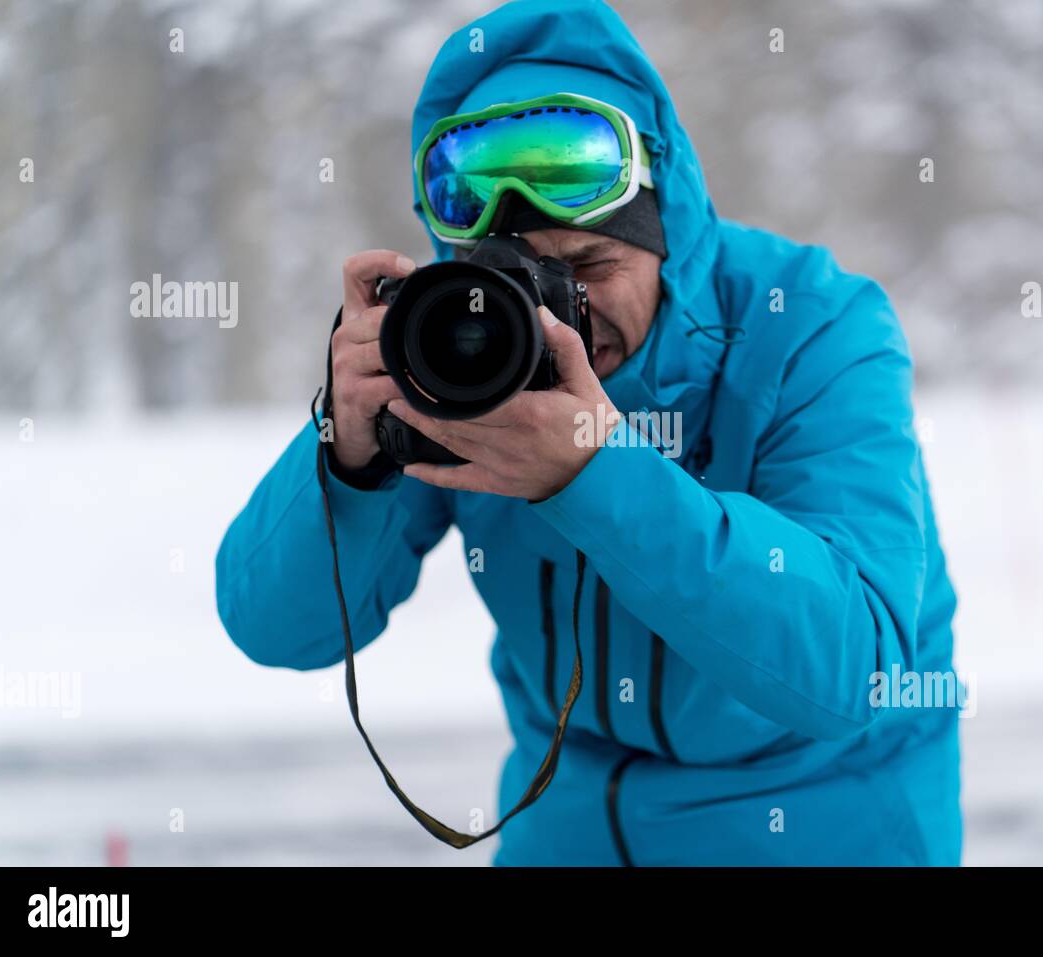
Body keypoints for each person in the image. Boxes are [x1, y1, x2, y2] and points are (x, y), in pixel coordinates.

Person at [215, 0, 962, 866]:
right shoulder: (464, 351)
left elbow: (852, 667)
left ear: (668, 234)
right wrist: (346, 451)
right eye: (530, 289)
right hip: (566, 823)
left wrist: (595, 472)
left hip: (817, 819)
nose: (560, 322)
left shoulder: (816, 327)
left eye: (589, 270)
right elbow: (280, 630)